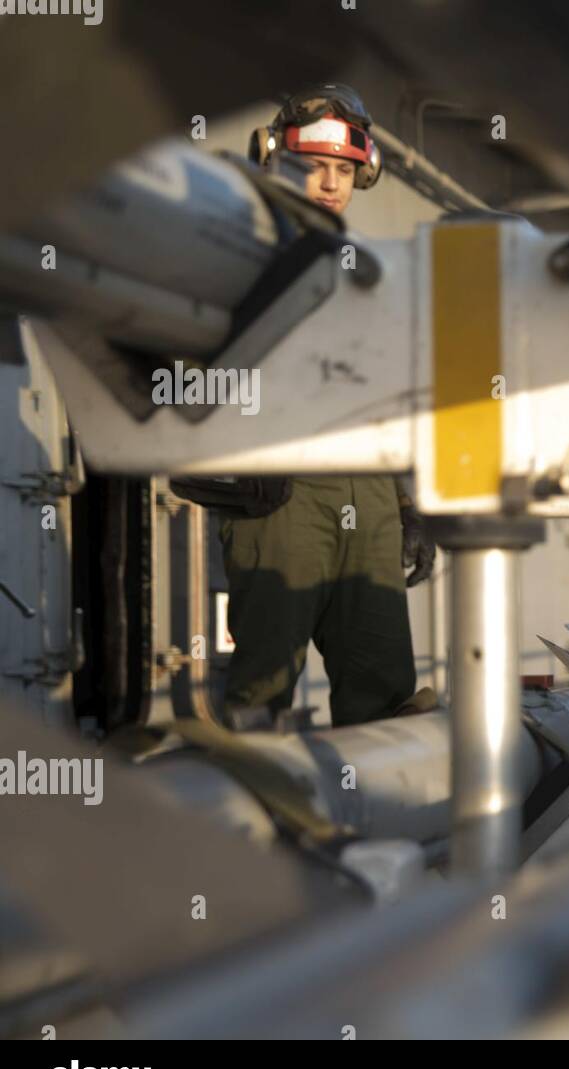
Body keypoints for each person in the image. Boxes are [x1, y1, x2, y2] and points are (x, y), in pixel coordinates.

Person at [217, 83, 436, 728]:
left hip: (367, 495)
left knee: (383, 691)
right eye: (315, 166)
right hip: (279, 492)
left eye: (344, 170)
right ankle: (246, 817)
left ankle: (375, 821)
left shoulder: (367, 271)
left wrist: (408, 505)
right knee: (263, 686)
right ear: (275, 159)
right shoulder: (236, 256)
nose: (331, 183)